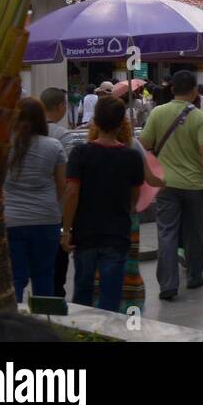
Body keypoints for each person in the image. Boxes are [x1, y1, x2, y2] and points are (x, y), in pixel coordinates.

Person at [140, 71, 203, 300]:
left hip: (166, 184)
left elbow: (144, 143)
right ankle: (195, 276)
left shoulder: (158, 112)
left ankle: (168, 284)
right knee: (194, 232)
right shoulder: (199, 117)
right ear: (196, 91)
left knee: (167, 233)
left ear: (171, 89)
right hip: (194, 185)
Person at [61, 97, 145, 312]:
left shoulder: (80, 154)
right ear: (120, 124)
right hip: (117, 233)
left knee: (82, 290)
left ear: (95, 121)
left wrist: (67, 230)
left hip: (85, 233)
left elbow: (72, 193)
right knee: (111, 294)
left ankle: (82, 333)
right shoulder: (132, 157)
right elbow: (134, 196)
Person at [4, 98, 66, 302]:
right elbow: (61, 186)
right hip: (47, 219)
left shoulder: (4, 147)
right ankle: (44, 322)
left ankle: (15, 323)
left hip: (12, 220)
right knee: (44, 275)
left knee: (16, 277)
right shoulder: (53, 145)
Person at [40, 87, 76, 299]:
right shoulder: (61, 135)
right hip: (53, 209)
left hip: (20, 214)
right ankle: (53, 300)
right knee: (56, 262)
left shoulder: (18, 134)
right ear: (61, 106)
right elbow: (67, 177)